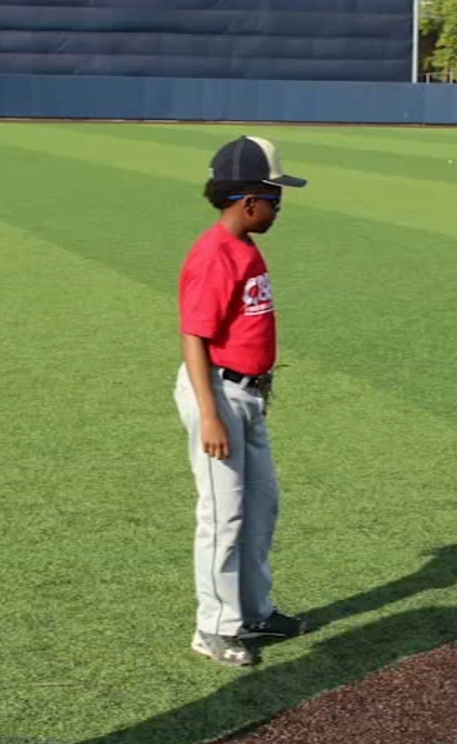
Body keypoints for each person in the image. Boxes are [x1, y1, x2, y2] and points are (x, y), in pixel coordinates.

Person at [175, 135, 313, 667]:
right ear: (248, 199)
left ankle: (254, 611)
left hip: (246, 395)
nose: (280, 207)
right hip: (218, 393)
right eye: (275, 197)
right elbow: (194, 336)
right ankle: (213, 627)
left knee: (260, 506)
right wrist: (211, 412)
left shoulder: (245, 248)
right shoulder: (214, 254)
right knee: (223, 515)